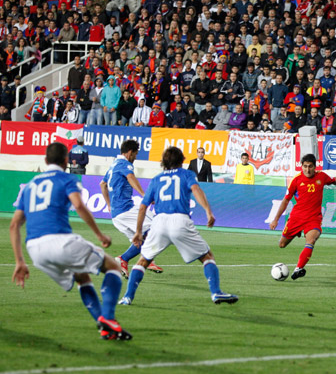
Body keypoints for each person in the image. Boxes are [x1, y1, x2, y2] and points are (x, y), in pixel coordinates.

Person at [9, 142, 131, 340]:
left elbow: (14, 225)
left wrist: (19, 261)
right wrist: (100, 235)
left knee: (82, 277)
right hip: (59, 241)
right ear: (66, 160)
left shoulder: (29, 185)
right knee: (113, 267)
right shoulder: (66, 178)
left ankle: (104, 326)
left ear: (45, 161)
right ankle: (109, 318)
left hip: (35, 251)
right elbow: (79, 205)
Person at [120, 146, 238, 305]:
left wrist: (138, 232)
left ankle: (127, 297)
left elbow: (143, 207)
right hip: (180, 221)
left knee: (143, 261)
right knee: (207, 256)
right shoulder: (187, 174)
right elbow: (196, 189)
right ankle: (216, 292)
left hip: (159, 222)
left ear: (164, 162)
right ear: (182, 160)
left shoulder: (156, 179)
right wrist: (208, 211)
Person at [268, 154, 336, 280]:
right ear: (301, 166)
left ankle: (299, 268)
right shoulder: (296, 180)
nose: (307, 170)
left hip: (314, 218)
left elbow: (335, 180)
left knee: (311, 241)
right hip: (296, 218)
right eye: (305, 166)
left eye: (310, 166)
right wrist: (276, 219)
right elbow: (286, 200)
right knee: (282, 244)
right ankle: (297, 263)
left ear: (315, 167)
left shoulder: (321, 176)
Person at [101, 140, 165, 278]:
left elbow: (102, 184)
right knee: (156, 225)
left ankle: (147, 259)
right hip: (126, 210)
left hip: (117, 215)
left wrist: (109, 205)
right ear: (130, 153)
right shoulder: (125, 164)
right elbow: (130, 177)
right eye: (135, 154)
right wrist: (145, 195)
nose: (135, 157)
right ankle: (123, 259)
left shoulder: (113, 165)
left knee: (140, 240)